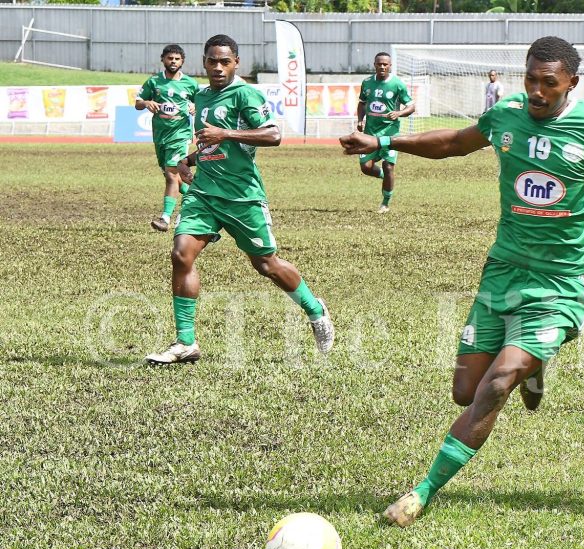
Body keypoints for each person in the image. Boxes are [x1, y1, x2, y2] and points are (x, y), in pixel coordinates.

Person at [339, 36, 584, 528]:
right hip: (504, 269)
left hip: (560, 281)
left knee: (495, 386)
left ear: (572, 84)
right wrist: (385, 141)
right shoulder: (508, 113)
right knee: (465, 390)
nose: (537, 92)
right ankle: (534, 368)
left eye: (549, 83)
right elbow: (456, 143)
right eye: (531, 79)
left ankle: (422, 493)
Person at [145, 34, 334, 365]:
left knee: (266, 265)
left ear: (236, 63)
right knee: (181, 254)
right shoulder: (202, 97)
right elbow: (210, 143)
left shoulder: (245, 94)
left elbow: (274, 134)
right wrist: (187, 160)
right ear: (203, 62)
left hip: (242, 197)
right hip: (204, 194)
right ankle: (186, 342)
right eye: (211, 61)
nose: (217, 67)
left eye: (224, 62)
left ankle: (315, 309)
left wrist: (227, 133)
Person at [135, 44, 200, 233]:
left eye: (177, 59)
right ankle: (198, 200)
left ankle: (165, 218)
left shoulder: (190, 83)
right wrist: (147, 102)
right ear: (163, 59)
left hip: (180, 135)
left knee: (172, 174)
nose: (173, 62)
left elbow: (202, 101)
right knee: (175, 178)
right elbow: (138, 103)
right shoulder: (154, 82)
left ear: (182, 61)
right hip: (160, 136)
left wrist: (194, 106)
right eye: (170, 58)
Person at [356, 52, 416, 214]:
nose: (382, 67)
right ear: (374, 64)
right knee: (366, 167)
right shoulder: (367, 83)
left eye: (385, 64)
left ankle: (385, 203)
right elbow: (362, 104)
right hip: (370, 134)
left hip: (391, 133)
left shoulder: (397, 84)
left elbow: (411, 106)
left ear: (390, 66)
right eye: (379, 64)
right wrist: (360, 120)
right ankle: (385, 177)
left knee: (388, 166)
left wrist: (399, 113)